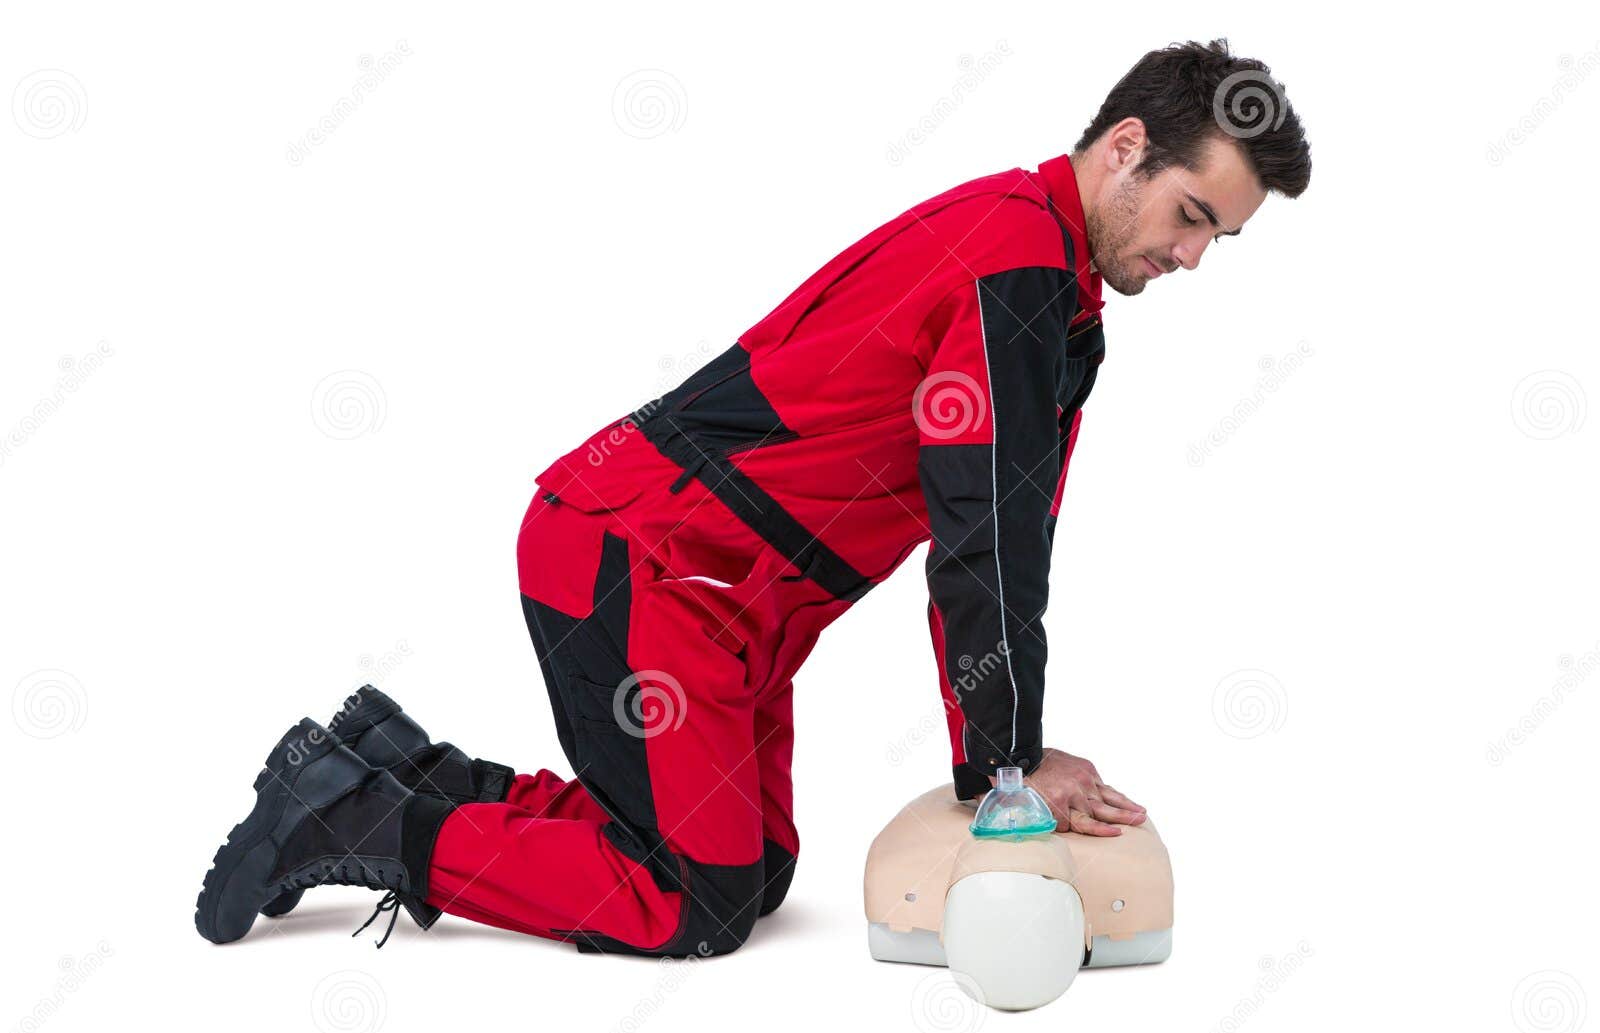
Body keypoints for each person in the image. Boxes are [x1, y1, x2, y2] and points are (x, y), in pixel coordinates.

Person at [195, 39, 1311, 956]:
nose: (1193, 255)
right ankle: (356, 815)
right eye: (1190, 214)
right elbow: (982, 547)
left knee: (756, 869)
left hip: (727, 599)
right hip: (646, 558)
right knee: (696, 899)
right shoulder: (1010, 268)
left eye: (1221, 235)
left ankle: (399, 765)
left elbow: (1010, 537)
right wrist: (1008, 770)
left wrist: (999, 752)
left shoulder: (1051, 289)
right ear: (1126, 148)